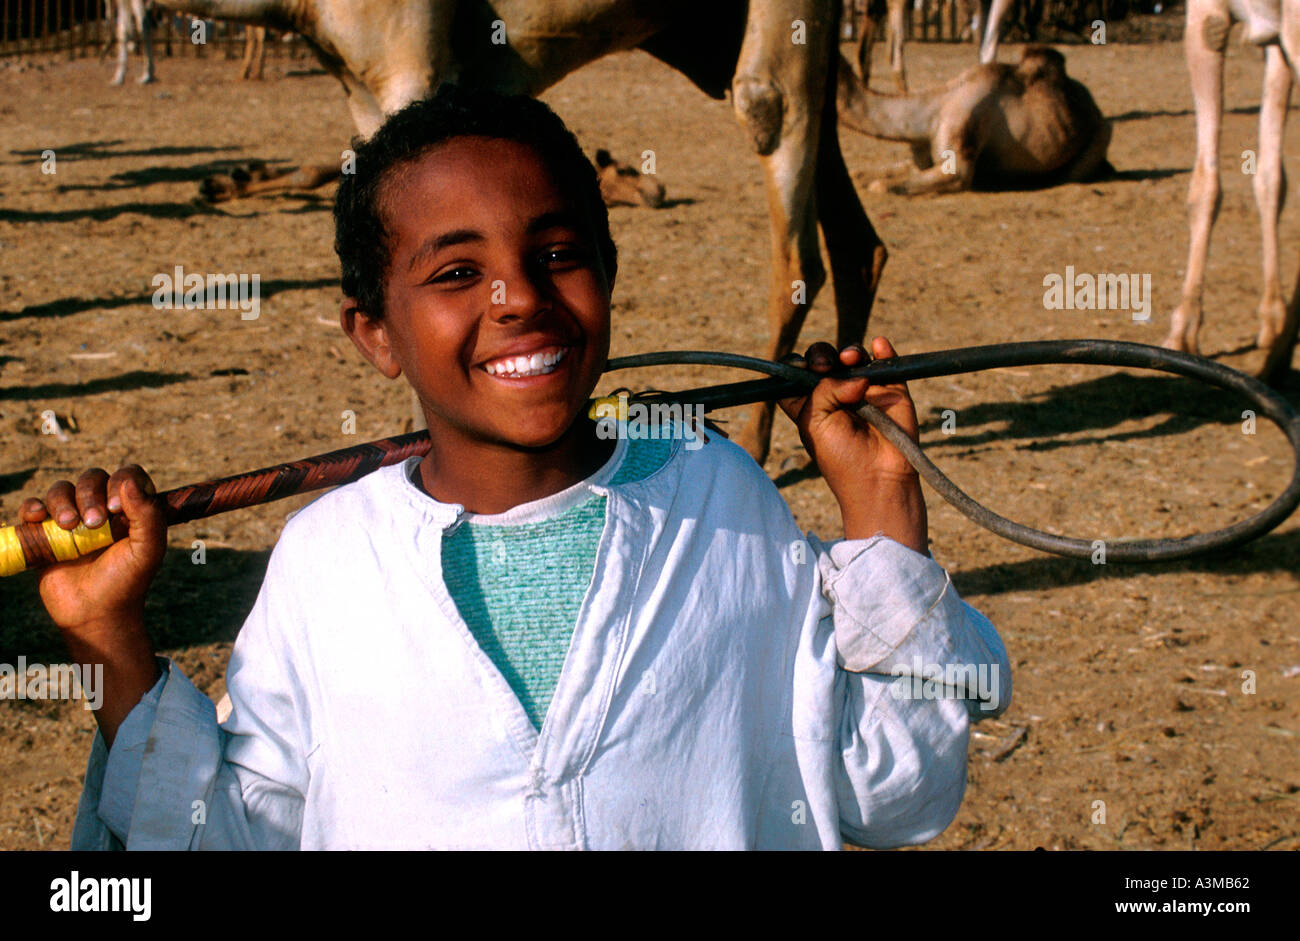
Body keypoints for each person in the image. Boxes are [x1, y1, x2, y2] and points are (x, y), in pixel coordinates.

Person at [21, 84, 1010, 850]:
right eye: (455, 272)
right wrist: (112, 640)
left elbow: (896, 789)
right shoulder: (327, 561)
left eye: (557, 252)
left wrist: (881, 507)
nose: (516, 297)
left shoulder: (720, 498)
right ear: (375, 333)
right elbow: (242, 832)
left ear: (609, 277)